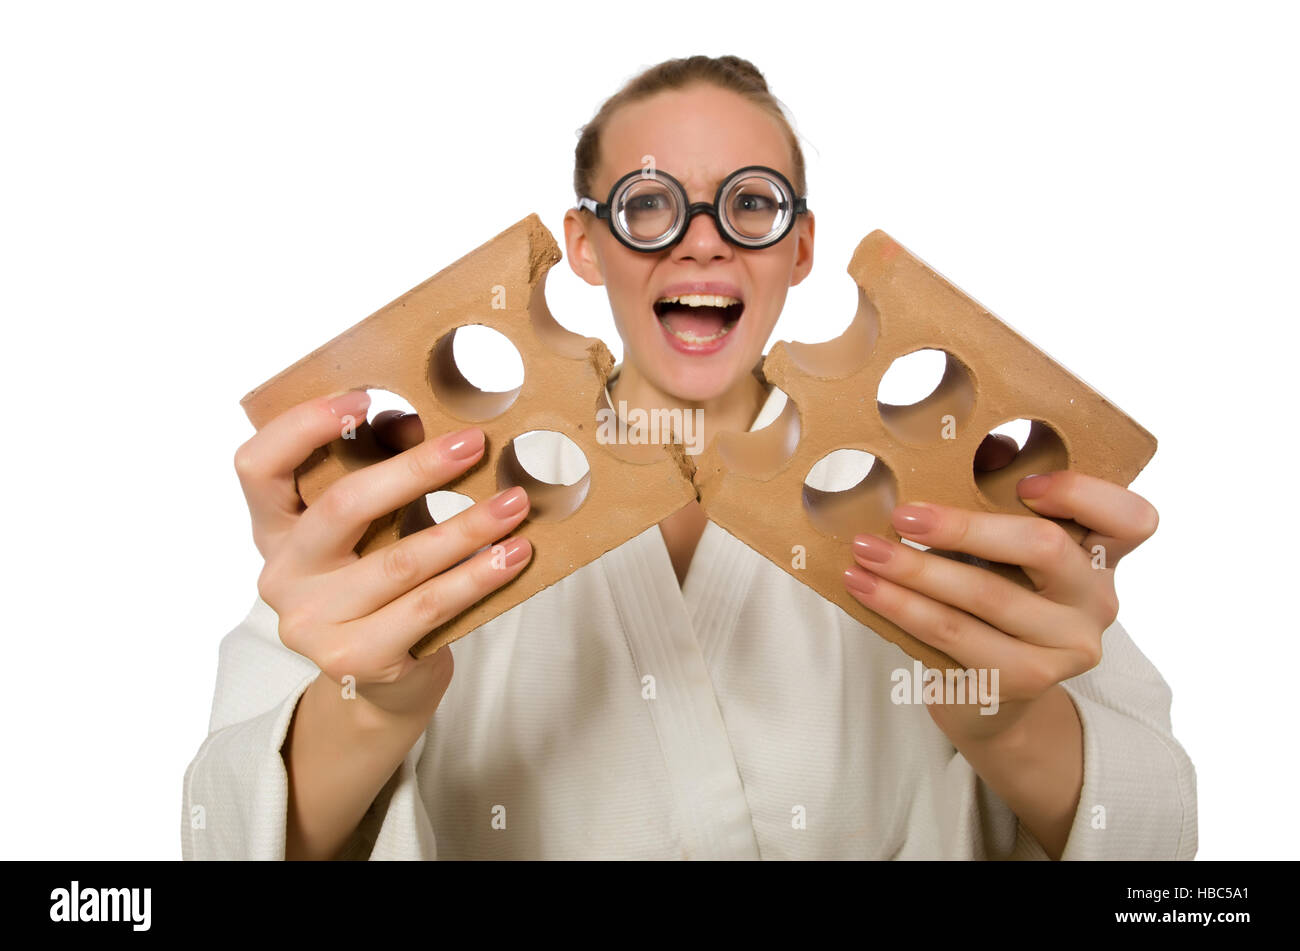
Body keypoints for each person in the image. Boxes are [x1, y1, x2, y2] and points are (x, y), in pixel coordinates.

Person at [182, 55, 1196, 861]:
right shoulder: (419, 510)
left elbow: (1160, 856)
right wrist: (376, 699)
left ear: (800, 250)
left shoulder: (954, 517)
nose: (703, 243)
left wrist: (1010, 719)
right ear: (584, 247)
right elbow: (223, 842)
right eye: (650, 204)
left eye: (750, 205)